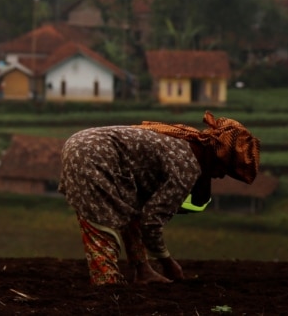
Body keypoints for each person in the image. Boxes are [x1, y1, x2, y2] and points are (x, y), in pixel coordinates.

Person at [58, 111, 260, 285]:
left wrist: (147, 264)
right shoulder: (186, 168)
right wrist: (167, 262)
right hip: (91, 155)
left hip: (83, 143)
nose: (220, 176)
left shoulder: (184, 143)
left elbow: (140, 213)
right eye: (224, 170)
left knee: (131, 213)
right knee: (101, 229)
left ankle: (143, 271)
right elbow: (151, 221)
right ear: (215, 158)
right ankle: (107, 290)